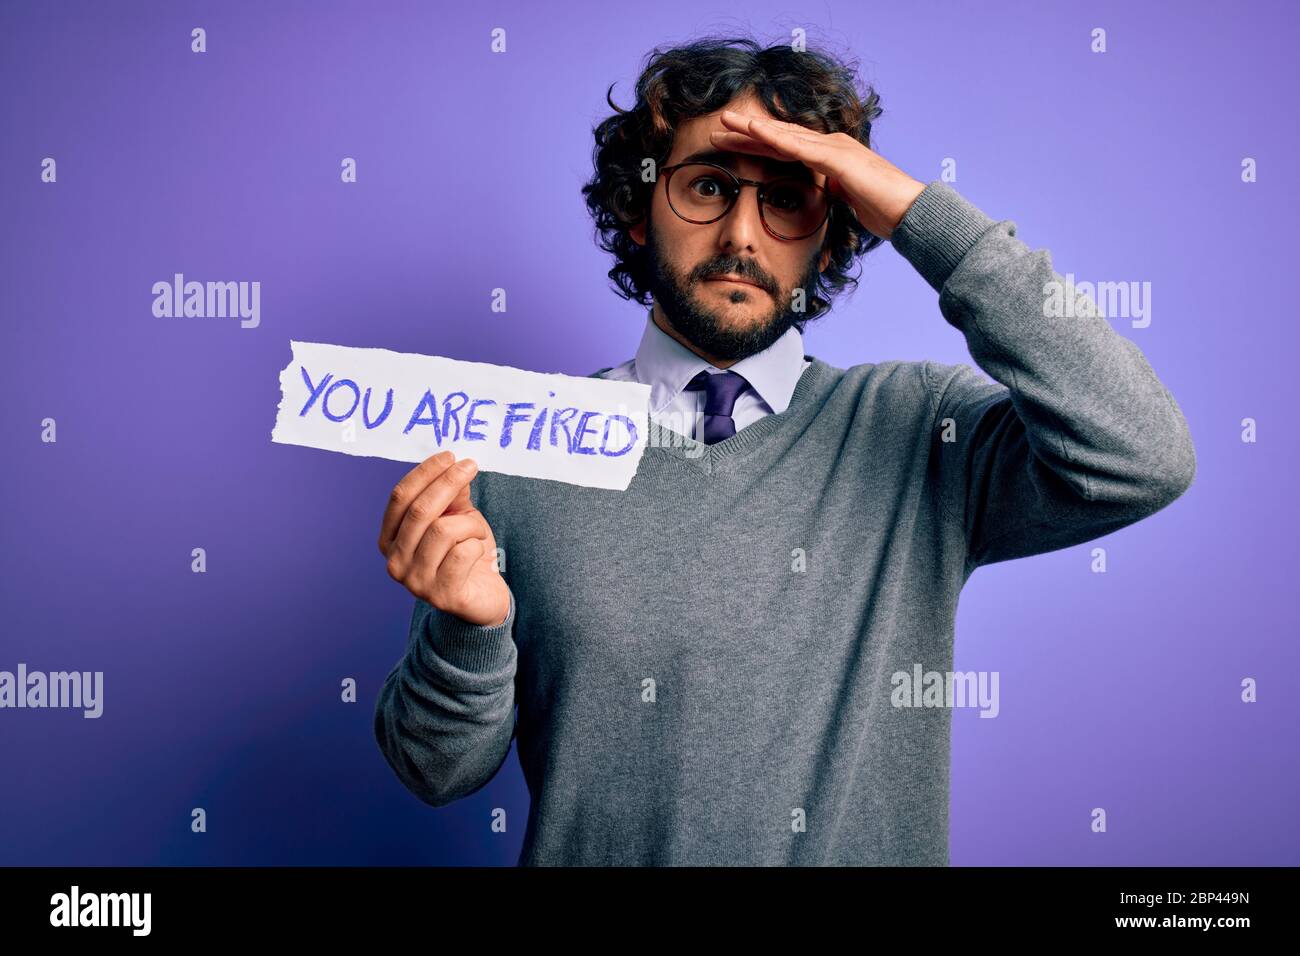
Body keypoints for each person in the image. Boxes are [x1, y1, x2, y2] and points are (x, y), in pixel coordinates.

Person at [373, 37, 1196, 865]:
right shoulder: (521, 453)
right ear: (636, 210)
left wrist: (918, 216)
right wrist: (468, 631)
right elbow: (434, 771)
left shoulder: (920, 429)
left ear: (833, 237)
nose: (741, 235)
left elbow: (1141, 454)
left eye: (787, 201)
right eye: (707, 187)